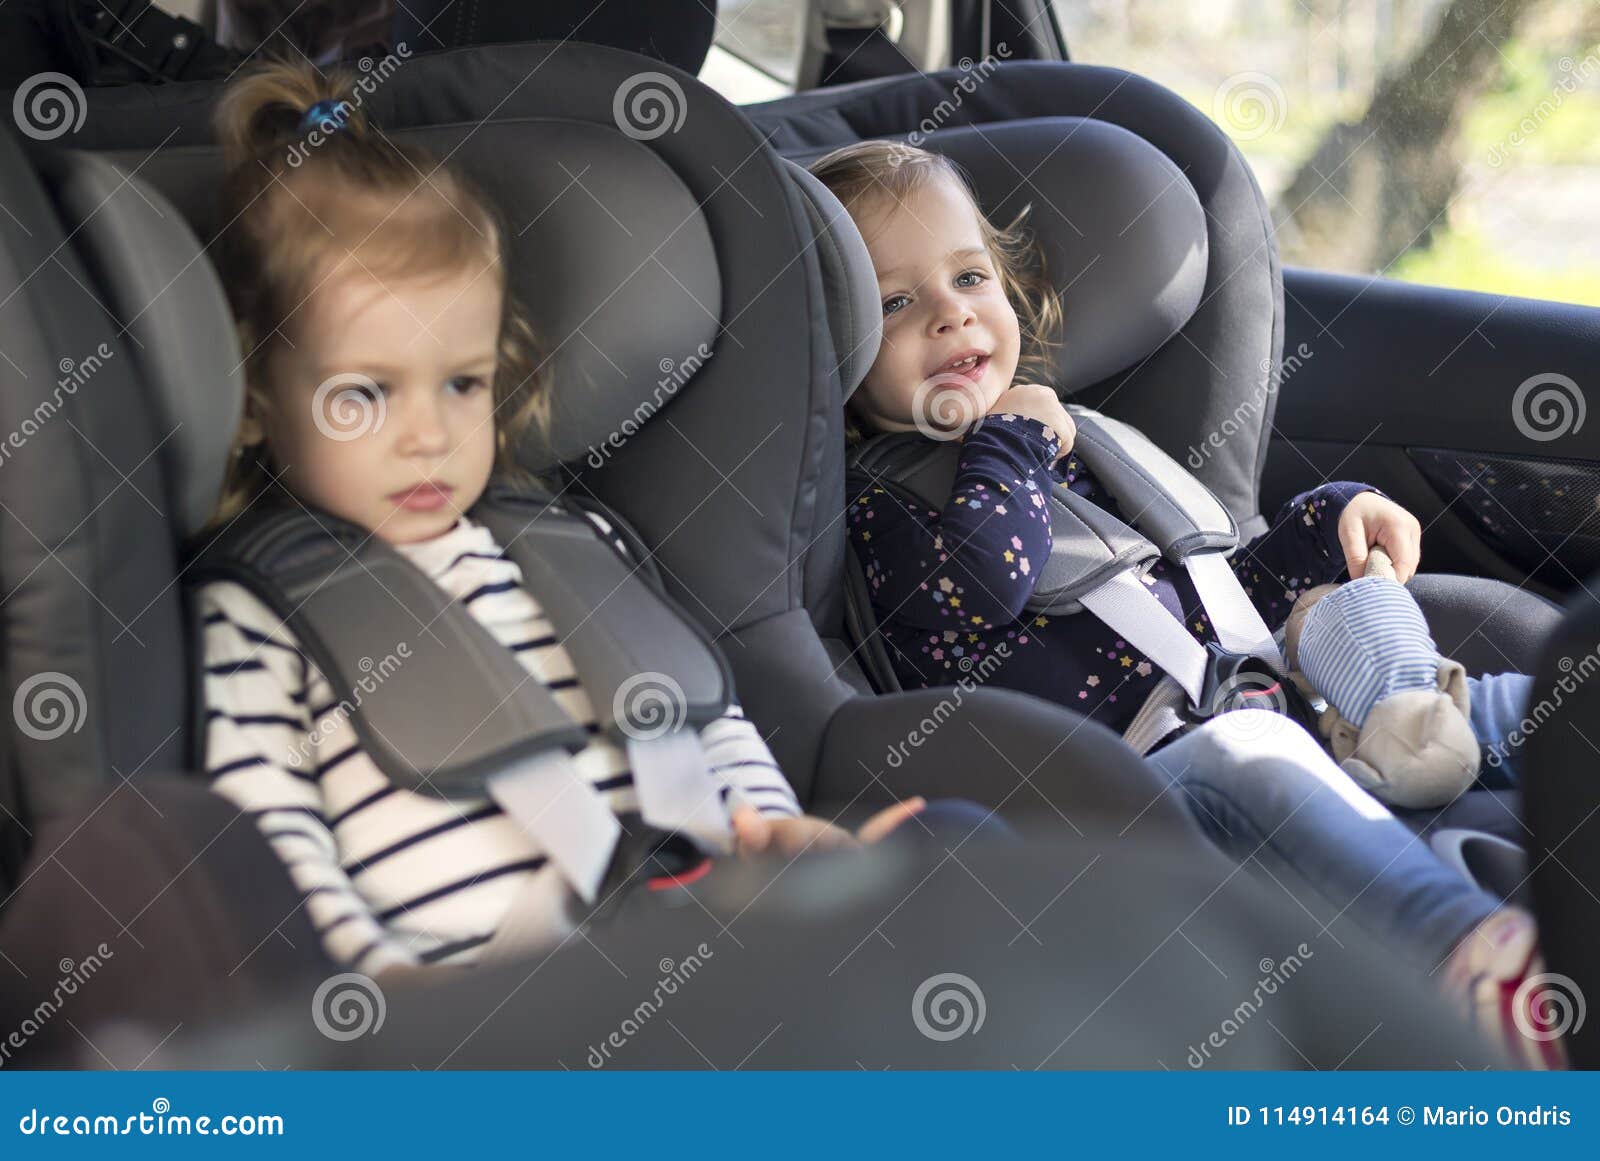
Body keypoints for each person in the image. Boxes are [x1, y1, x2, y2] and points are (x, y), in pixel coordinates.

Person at [810, 140, 1560, 1066]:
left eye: (969, 276)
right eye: (896, 303)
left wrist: (1326, 526)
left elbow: (1215, 590)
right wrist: (1010, 445)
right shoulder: (883, 507)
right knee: (1257, 753)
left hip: (1282, 704)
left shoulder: (1088, 442)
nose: (951, 313)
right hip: (1140, 794)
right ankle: (1478, 967)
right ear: (836, 348)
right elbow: (985, 576)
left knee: (1498, 700)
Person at [199, 64, 951, 977]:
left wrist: (772, 828)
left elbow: (702, 718)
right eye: (366, 393)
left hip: (697, 950)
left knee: (957, 844)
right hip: (483, 1023)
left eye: (463, 383)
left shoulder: (571, 546)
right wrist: (375, 992)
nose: (429, 435)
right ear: (252, 401)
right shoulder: (260, 618)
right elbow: (269, 838)